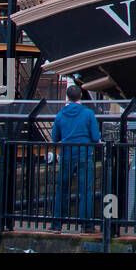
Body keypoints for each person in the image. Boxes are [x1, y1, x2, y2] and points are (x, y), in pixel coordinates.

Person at [50, 84, 101, 232]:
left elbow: (55, 138)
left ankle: (57, 224)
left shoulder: (60, 115)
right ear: (80, 96)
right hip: (84, 153)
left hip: (66, 154)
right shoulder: (88, 114)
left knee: (62, 189)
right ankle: (86, 225)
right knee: (86, 190)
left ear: (67, 97)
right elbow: (95, 137)